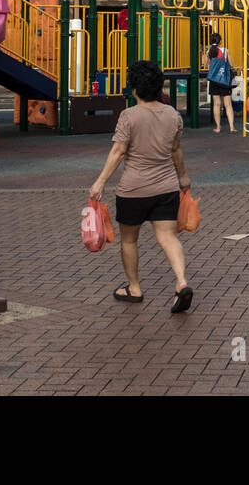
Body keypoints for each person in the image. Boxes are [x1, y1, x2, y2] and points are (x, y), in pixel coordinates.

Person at [89, 60, 193, 314]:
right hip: (166, 186)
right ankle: (181, 282)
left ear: (133, 88)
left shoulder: (129, 116)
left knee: (129, 240)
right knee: (168, 237)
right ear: (160, 87)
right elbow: (176, 150)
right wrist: (183, 178)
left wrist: (100, 181)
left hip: (133, 190)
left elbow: (118, 151)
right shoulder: (172, 115)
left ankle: (134, 288)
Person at [204, 32, 235, 134]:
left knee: (217, 104)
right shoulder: (225, 51)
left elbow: (205, 64)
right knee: (228, 104)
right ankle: (231, 127)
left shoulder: (209, 51)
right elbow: (231, 65)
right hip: (224, 80)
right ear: (220, 41)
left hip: (213, 80)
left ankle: (218, 127)